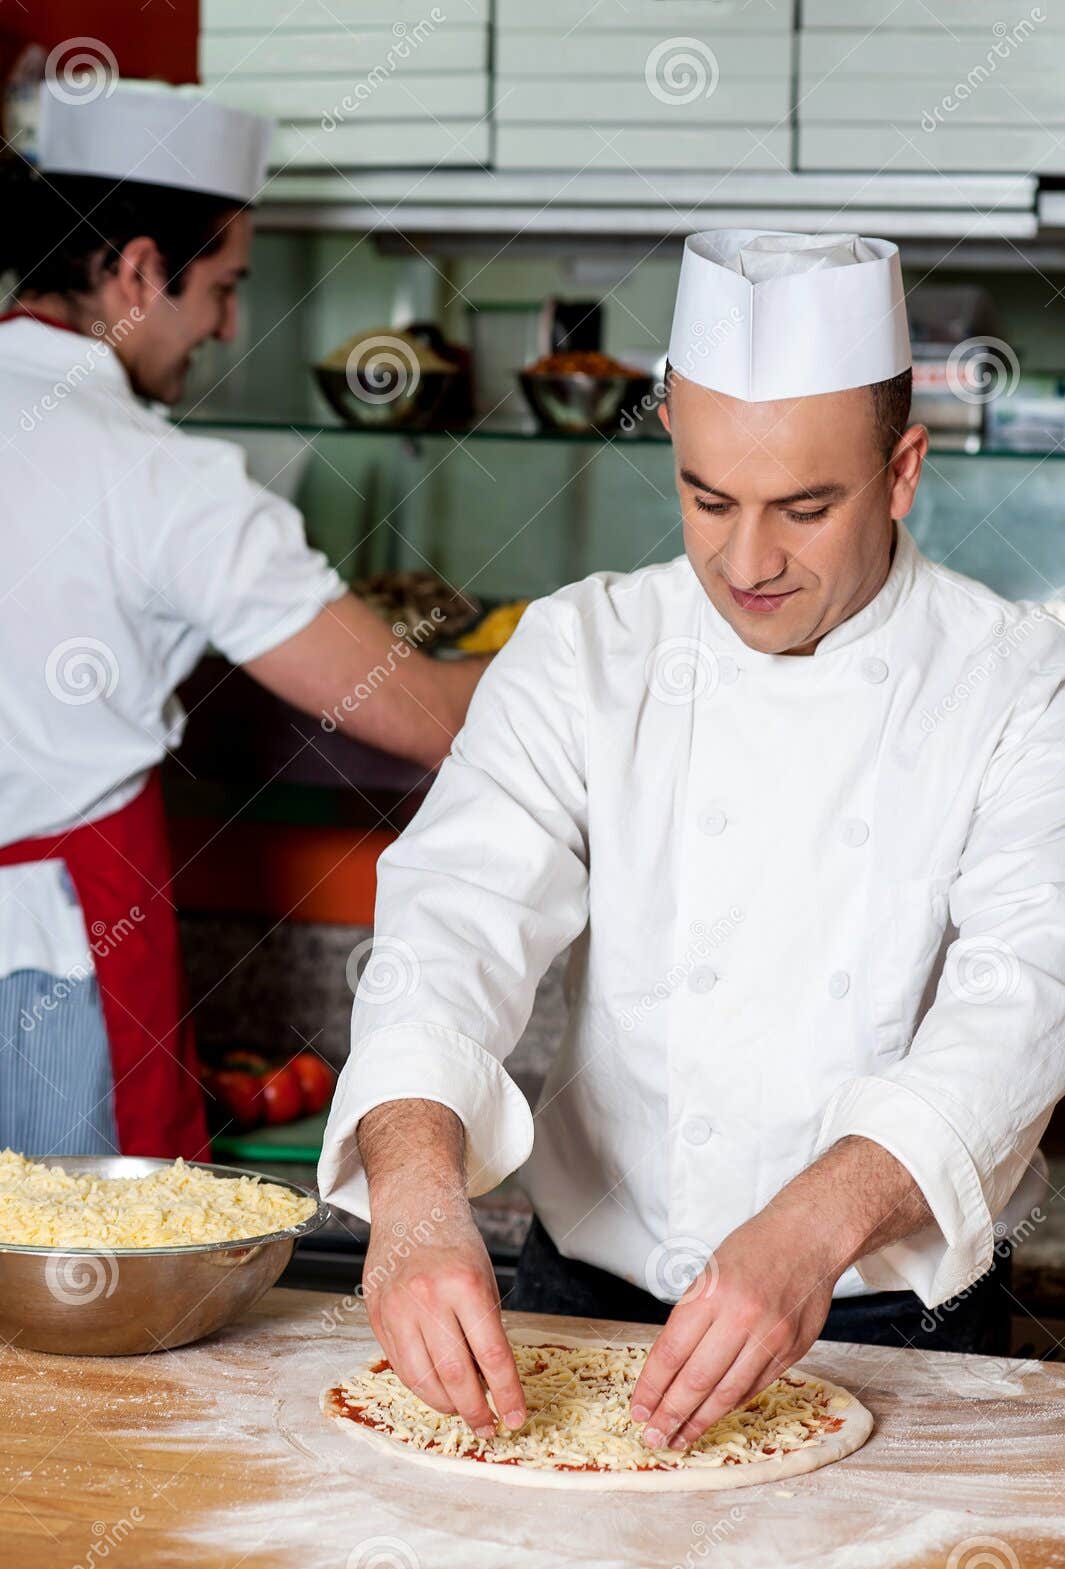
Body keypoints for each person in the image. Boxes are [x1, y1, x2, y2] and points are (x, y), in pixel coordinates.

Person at [318, 229, 1065, 1450]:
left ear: (904, 469)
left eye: (805, 507)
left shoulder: (1020, 681)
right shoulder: (581, 652)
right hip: (582, 1316)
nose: (746, 559)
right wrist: (410, 1190)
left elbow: (1026, 994)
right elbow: (453, 918)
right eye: (707, 497)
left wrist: (812, 1228)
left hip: (892, 1329)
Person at [0, 82, 485, 1162]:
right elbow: (420, 715)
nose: (225, 325)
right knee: (94, 1290)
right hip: (57, 957)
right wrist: (613, 644)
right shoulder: (163, 476)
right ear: (133, 271)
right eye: (221, 287)